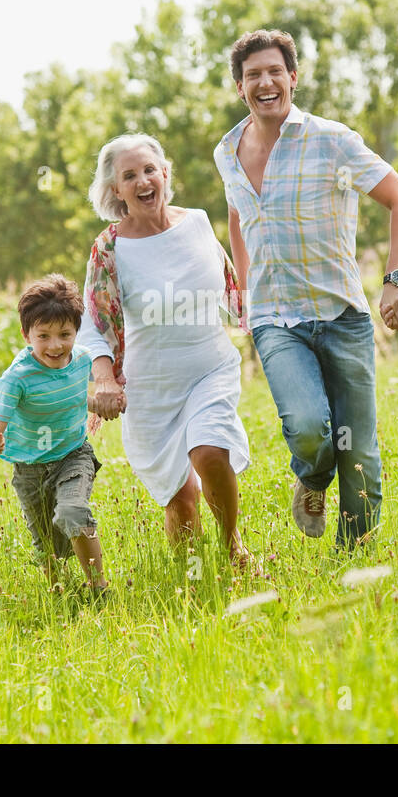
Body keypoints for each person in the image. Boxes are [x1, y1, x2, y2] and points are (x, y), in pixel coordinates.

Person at [213, 28, 398, 547]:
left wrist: (395, 280)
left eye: (274, 72)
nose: (265, 83)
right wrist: (241, 288)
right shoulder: (227, 151)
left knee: (360, 453)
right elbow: (239, 215)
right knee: (309, 427)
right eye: (253, 75)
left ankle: (355, 559)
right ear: (240, 86)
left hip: (342, 314)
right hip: (274, 319)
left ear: (293, 78)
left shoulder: (333, 140)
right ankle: (310, 477)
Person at [78, 134, 252, 565]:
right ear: (115, 189)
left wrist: (268, 328)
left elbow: (234, 289)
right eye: (129, 175)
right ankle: (193, 584)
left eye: (149, 170)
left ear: (165, 173)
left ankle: (233, 548)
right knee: (181, 501)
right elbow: (93, 323)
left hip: (209, 366)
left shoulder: (196, 222)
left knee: (210, 452)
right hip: (151, 387)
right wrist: (102, 377)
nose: (143, 181)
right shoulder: (110, 248)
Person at [0, 275, 109, 592]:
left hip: (73, 453)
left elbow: (95, 385)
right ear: (26, 335)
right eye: (43, 336)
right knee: (49, 546)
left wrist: (99, 401)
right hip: (30, 468)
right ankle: (60, 593)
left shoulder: (83, 359)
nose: (55, 345)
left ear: (77, 332)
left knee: (73, 512)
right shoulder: (17, 378)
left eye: (65, 334)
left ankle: (98, 588)